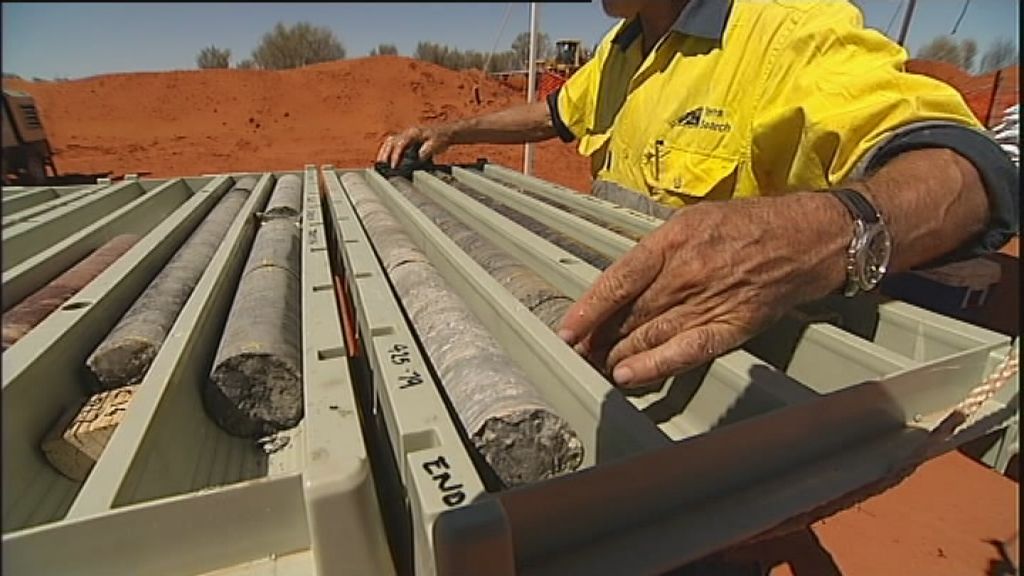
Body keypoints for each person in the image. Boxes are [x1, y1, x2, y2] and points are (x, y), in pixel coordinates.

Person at [378, 0, 1019, 389]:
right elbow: (557, 113)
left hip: (707, 386)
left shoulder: (788, 32)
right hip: (601, 335)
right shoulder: (624, 47)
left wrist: (829, 230)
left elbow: (963, 171)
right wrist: (453, 130)